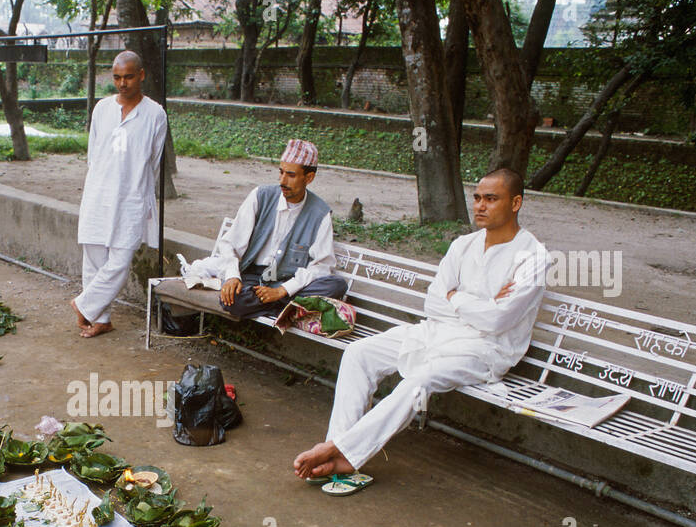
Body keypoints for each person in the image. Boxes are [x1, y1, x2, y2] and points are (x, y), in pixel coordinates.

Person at [293, 168, 551, 493]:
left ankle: (342, 454)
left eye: (491, 199)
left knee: (418, 382)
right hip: (437, 331)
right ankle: (337, 446)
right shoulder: (463, 245)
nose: (480, 206)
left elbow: (498, 322)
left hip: (485, 351)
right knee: (360, 353)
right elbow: (434, 302)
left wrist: (455, 296)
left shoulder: (534, 256)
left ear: (516, 203)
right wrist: (474, 302)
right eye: (477, 198)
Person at [74, 50, 168, 338]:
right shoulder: (102, 108)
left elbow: (153, 160)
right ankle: (100, 319)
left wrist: (131, 182)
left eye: (128, 76)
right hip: (98, 192)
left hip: (131, 196)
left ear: (141, 75)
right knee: (93, 259)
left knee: (120, 260)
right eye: (117, 77)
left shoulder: (155, 114)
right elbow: (93, 153)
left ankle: (84, 305)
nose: (122, 83)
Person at [212, 138, 347, 318]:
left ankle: (280, 305)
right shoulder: (261, 196)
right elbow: (230, 243)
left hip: (290, 282)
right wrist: (232, 276)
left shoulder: (320, 213)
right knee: (233, 300)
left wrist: (283, 290)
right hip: (253, 278)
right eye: (281, 172)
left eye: (291, 175)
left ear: (309, 178)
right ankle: (292, 309)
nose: (282, 181)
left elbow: (322, 265)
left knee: (336, 285)